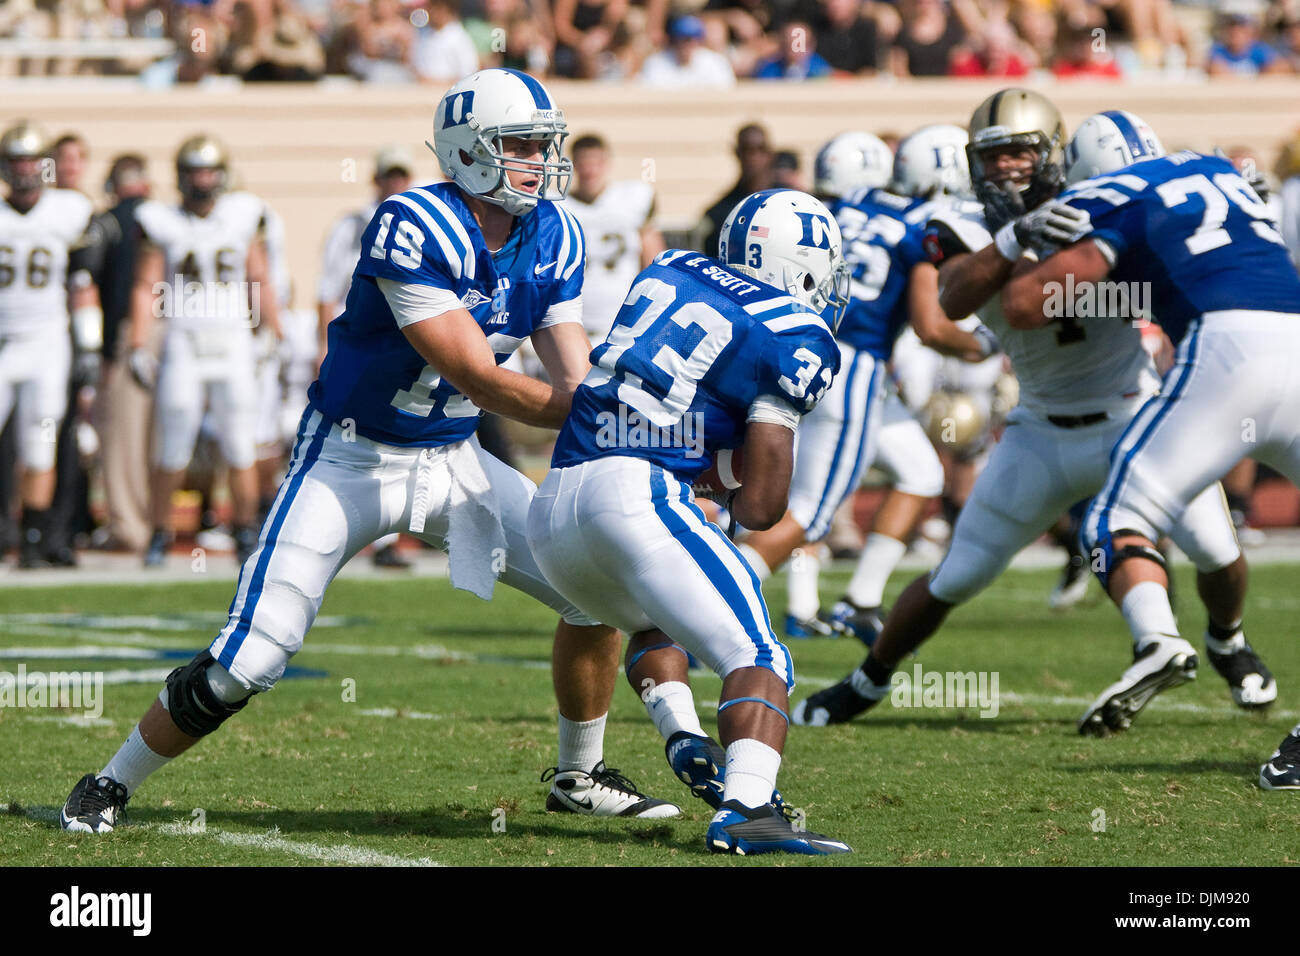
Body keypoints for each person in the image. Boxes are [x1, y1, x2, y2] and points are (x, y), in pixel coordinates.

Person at [59, 68, 677, 833]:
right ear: (469, 151)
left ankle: (577, 774)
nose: (540, 162)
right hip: (348, 458)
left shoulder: (557, 231)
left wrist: (617, 422)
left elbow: (572, 375)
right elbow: (479, 377)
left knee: (593, 591)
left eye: (542, 145)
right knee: (251, 658)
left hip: (453, 460)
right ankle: (110, 781)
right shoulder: (413, 223)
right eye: (521, 145)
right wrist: (631, 418)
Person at [794, 99, 1265, 732]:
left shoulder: (1106, 203)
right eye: (994, 153)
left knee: (1216, 549)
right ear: (973, 161)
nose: (1008, 165)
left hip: (1135, 415)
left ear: (1054, 152)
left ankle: (1225, 643)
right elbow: (955, 297)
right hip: (1039, 430)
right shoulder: (959, 220)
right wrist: (1015, 237)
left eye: (1021, 149)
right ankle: (867, 680)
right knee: (956, 575)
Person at [527, 188, 853, 855]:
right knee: (757, 654)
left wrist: (700, 478)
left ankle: (677, 732)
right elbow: (764, 506)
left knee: (647, 618)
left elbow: (672, 411)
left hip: (555, 499)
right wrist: (720, 496)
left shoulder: (671, 266)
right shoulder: (796, 330)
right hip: (633, 496)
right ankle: (747, 809)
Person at [998, 114, 1300, 756]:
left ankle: (1158, 641)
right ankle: (1230, 655)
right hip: (1294, 338)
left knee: (1110, 521)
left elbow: (1027, 306)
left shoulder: (1107, 195)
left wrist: (1022, 245)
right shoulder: (1217, 167)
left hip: (1222, 354)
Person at [736, 123, 994, 640]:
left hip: (793, 352)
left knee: (919, 471)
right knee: (810, 511)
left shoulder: (836, 210)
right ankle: (707, 606)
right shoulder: (923, 222)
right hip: (850, 364)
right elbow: (929, 325)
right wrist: (992, 344)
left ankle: (857, 601)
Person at [127, 136, 281, 569]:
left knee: (239, 442)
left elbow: (260, 276)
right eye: (195, 171)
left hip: (232, 340)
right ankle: (160, 532)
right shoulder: (162, 221)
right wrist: (139, 343)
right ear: (180, 176)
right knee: (173, 442)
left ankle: (245, 531)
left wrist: (272, 330)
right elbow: (145, 285)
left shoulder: (243, 215)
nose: (202, 180)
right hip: (184, 340)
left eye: (208, 171)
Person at [0, 121, 100, 569]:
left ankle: (34, 538)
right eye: (16, 162)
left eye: (30, 162)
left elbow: (82, 284)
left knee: (40, 442)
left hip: (45, 342)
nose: (23, 172)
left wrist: (88, 347)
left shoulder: (68, 210)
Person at [316, 144, 417, 569]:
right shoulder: (354, 224)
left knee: (394, 441)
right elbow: (327, 290)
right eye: (388, 176)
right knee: (354, 440)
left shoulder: (422, 222)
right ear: (375, 180)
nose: (394, 184)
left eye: (400, 176)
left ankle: (387, 538)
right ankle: (343, 531)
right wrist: (324, 346)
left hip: (403, 346)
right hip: (360, 343)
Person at [560, 133, 665, 345]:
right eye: (584, 162)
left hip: (621, 322)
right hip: (570, 322)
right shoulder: (559, 208)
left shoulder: (632, 198)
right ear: (574, 165)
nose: (590, 170)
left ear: (606, 163)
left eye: (595, 162)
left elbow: (655, 263)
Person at [695, 123, 772, 256]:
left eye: (760, 149)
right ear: (737, 153)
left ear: (770, 153)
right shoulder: (717, 214)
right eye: (747, 150)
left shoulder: (789, 201)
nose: (753, 157)